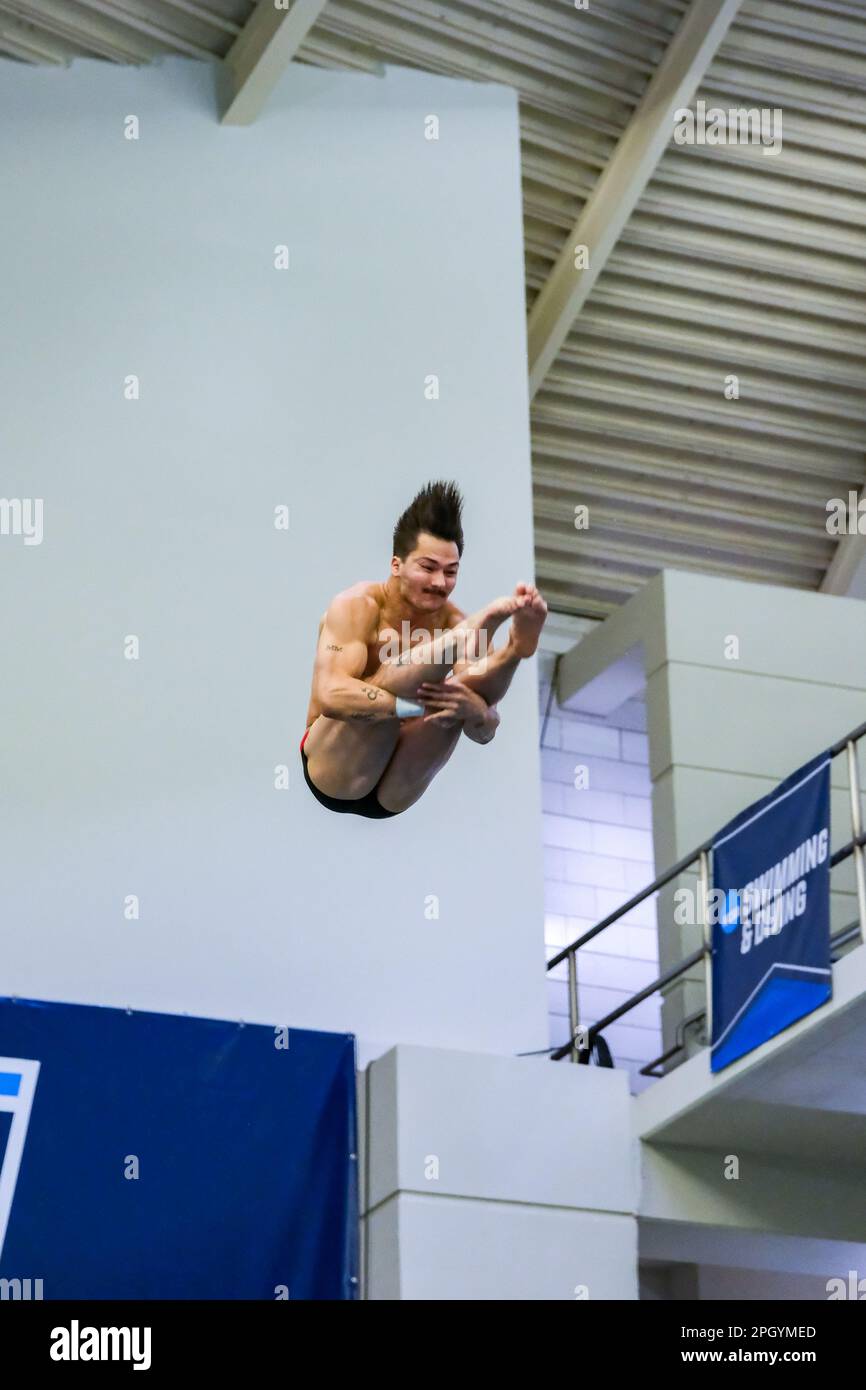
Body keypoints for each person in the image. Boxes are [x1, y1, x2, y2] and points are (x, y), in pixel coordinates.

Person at [300, 480, 548, 817]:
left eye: (451, 572)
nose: (439, 583)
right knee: (401, 680)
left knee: (458, 697)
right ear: (396, 565)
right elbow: (330, 695)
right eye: (428, 568)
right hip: (335, 771)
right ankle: (458, 647)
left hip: (396, 790)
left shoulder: (455, 618)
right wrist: (411, 707)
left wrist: (476, 711)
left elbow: (484, 733)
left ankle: (515, 651)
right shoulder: (357, 606)